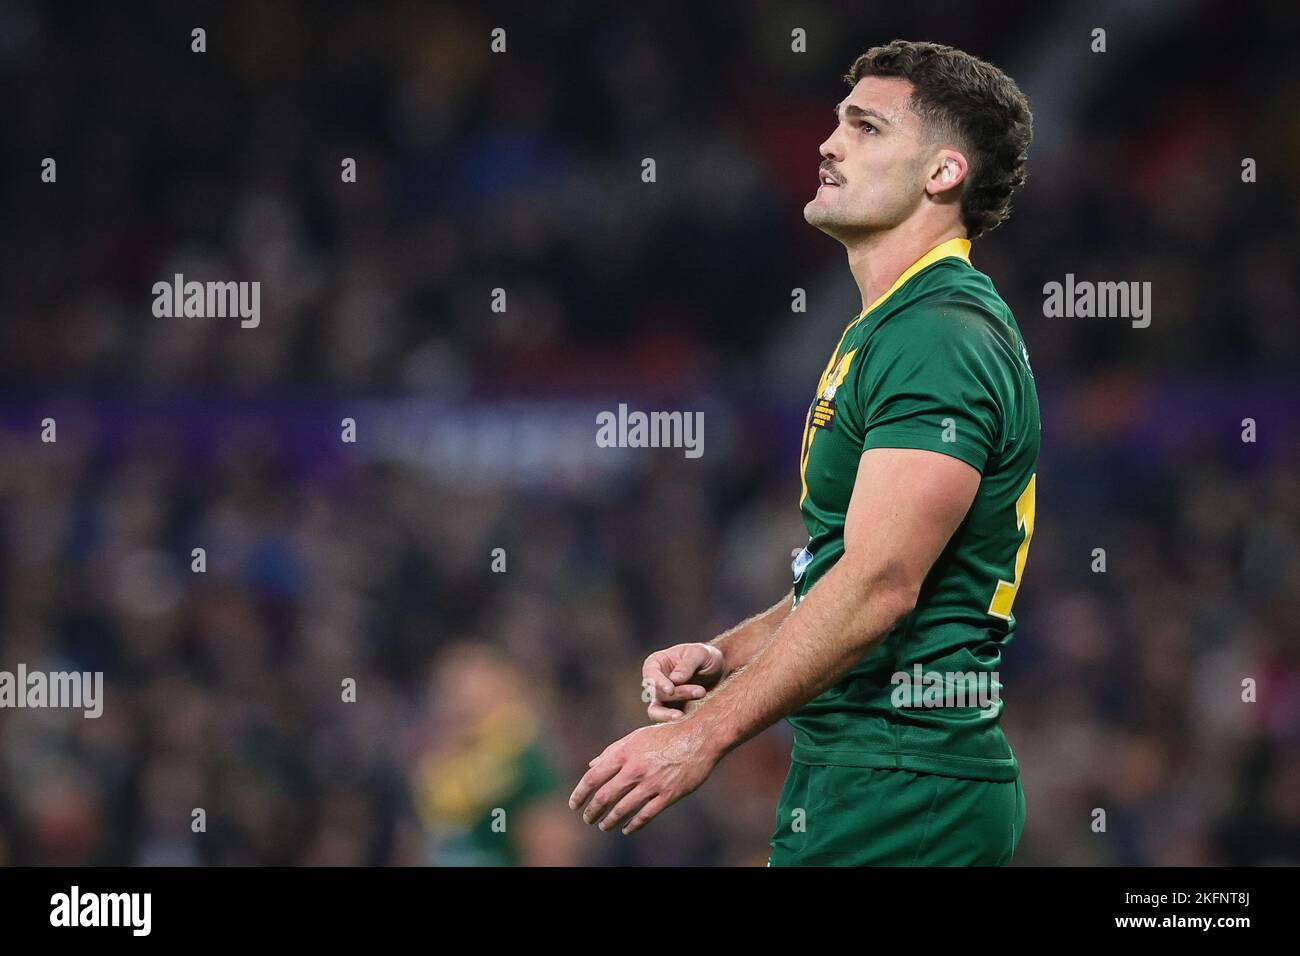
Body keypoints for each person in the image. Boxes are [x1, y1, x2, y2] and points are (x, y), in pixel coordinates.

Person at [570, 39, 1038, 865]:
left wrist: (702, 738)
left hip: (903, 781)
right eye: (836, 122)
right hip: (864, 772)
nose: (828, 143)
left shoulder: (937, 335)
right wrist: (726, 656)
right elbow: (852, 568)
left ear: (942, 174)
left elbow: (883, 585)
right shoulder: (897, 325)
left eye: (865, 127)